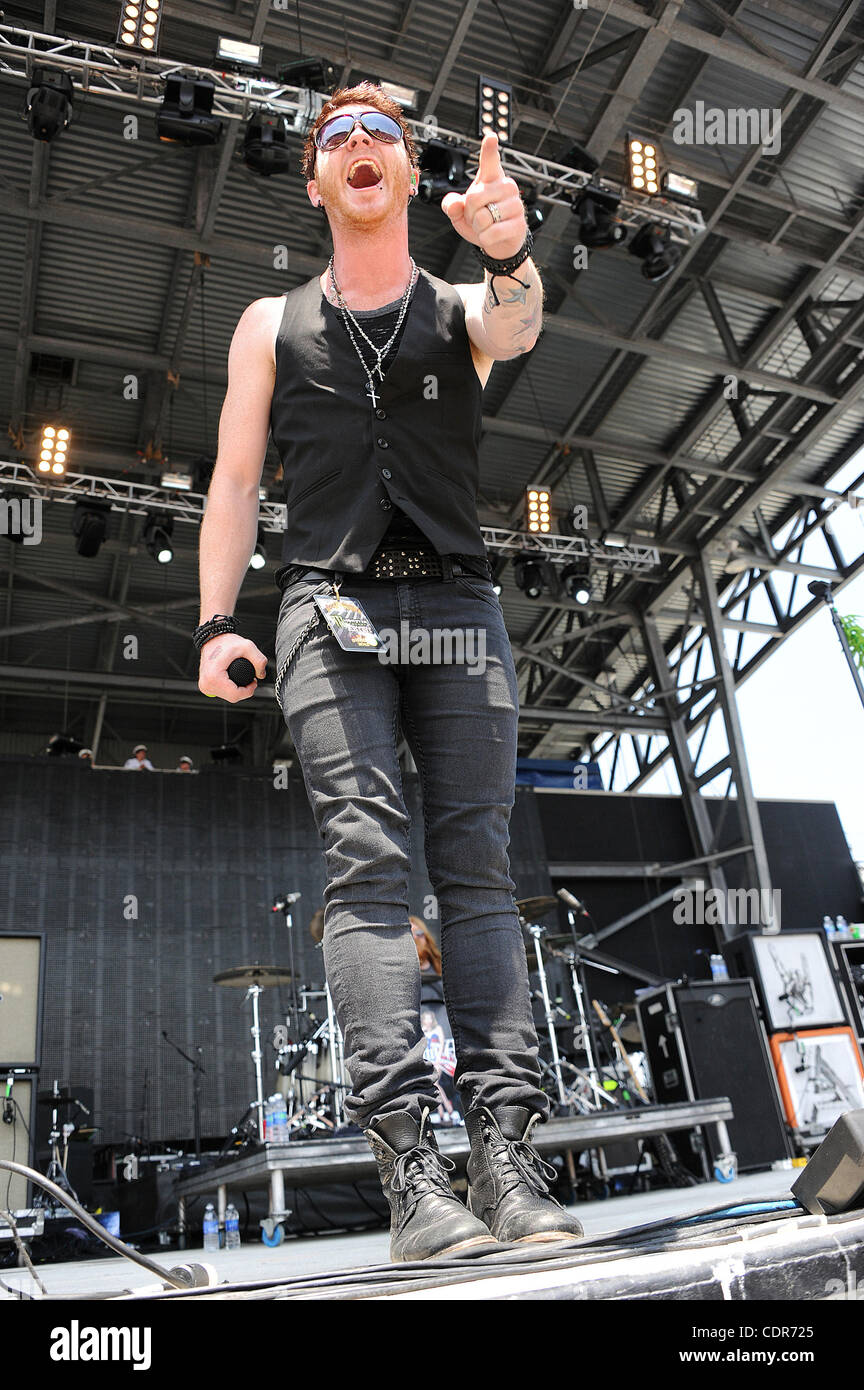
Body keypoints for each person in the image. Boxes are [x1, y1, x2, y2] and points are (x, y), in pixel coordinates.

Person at [195, 82, 582, 1262]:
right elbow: (231, 481)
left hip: (457, 602)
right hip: (327, 603)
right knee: (367, 867)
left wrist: (513, 253)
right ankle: (412, 1173)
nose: (359, 146)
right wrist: (217, 621)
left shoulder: (459, 306)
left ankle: (505, 1154)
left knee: (474, 864)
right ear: (314, 181)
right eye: (334, 139)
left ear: (409, 177)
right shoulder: (270, 323)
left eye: (383, 137)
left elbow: (516, 325)